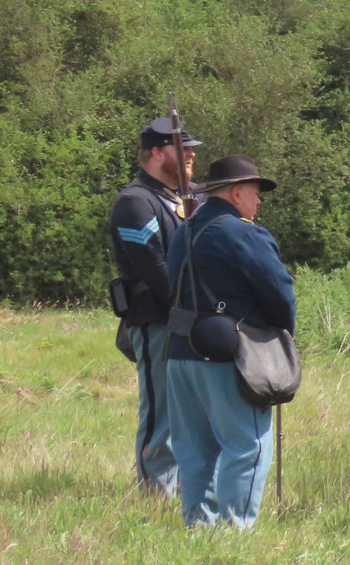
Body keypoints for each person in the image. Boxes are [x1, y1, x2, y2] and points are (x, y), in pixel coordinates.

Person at [163, 154, 294, 529]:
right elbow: (280, 294)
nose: (260, 200)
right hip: (227, 357)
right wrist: (281, 338)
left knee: (195, 452)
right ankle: (234, 536)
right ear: (236, 193)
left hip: (179, 353)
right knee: (248, 447)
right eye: (255, 192)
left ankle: (199, 531)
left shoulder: (183, 232)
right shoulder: (243, 234)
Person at [108, 117, 202, 497]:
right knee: (162, 411)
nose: (191, 155)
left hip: (197, 319)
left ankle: (185, 487)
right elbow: (156, 269)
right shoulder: (135, 203)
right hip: (159, 319)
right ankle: (155, 491)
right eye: (182, 148)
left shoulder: (193, 198)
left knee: (194, 411)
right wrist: (193, 311)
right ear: (157, 153)